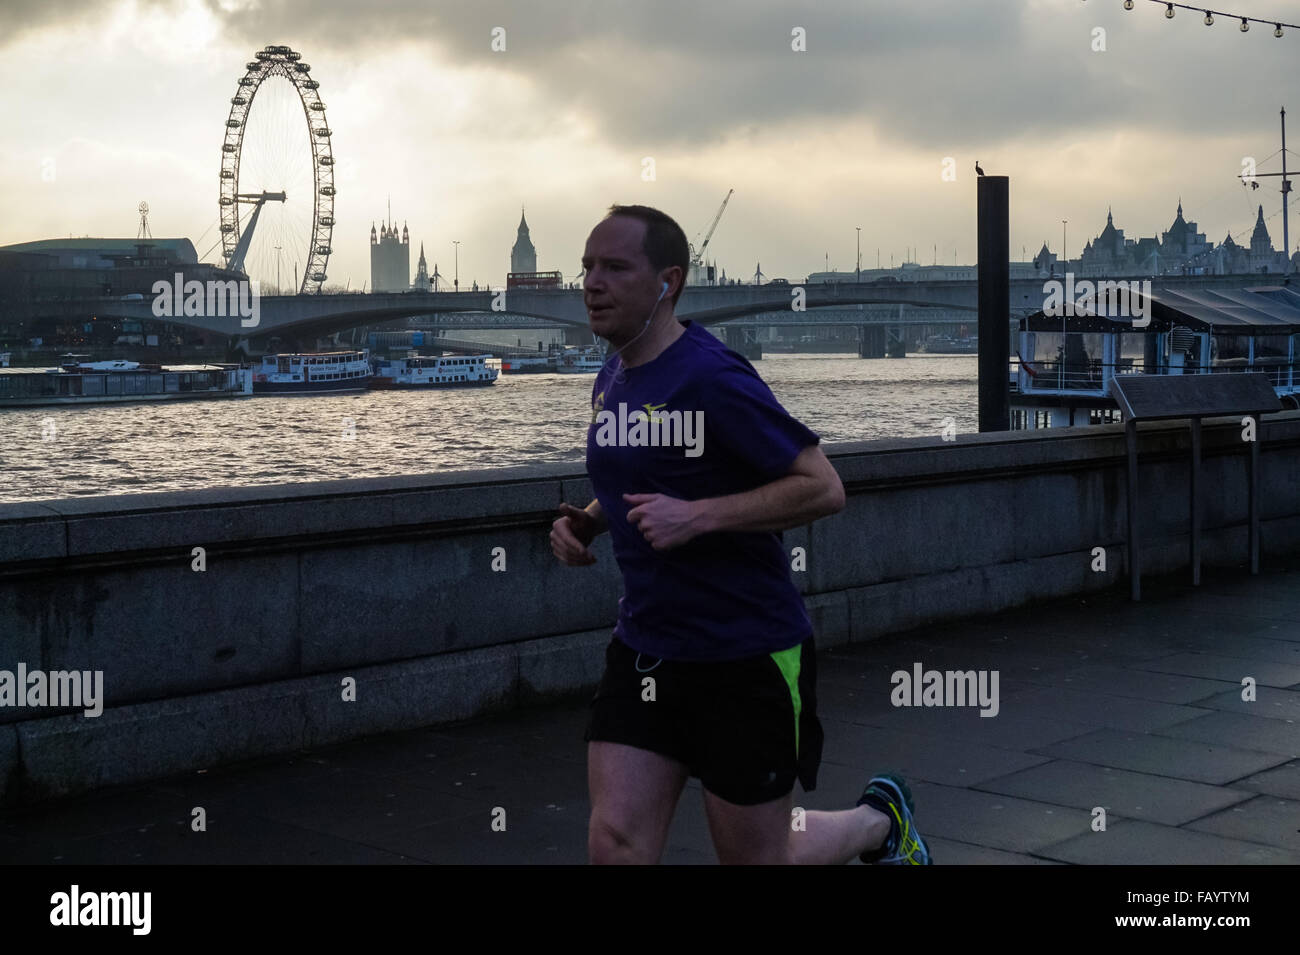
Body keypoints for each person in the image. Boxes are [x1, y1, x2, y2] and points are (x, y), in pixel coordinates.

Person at [550, 204, 932, 865]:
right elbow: (645, 473)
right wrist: (591, 518)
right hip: (645, 650)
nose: (591, 281)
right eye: (587, 265)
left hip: (745, 654)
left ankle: (880, 824)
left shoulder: (713, 377)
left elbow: (822, 486)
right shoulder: (613, 377)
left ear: (668, 282)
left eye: (614, 266)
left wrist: (696, 517)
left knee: (760, 856)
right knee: (614, 843)